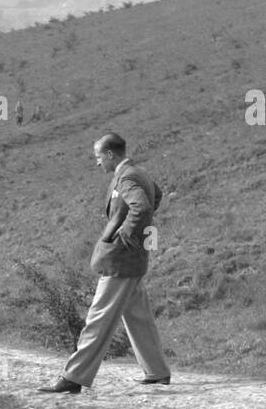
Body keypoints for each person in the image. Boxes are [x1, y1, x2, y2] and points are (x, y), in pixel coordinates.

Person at [38, 132, 171, 394]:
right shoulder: (138, 171)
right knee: (138, 317)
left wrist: (127, 232)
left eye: (99, 157)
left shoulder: (128, 176)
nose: (98, 163)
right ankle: (157, 372)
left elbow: (143, 206)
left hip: (120, 262)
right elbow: (157, 194)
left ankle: (74, 377)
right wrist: (136, 231)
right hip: (133, 260)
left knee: (98, 317)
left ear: (110, 154)